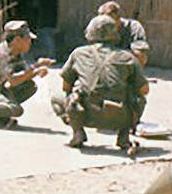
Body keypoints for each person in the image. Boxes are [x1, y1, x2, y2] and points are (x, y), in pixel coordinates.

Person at [53, 14, 149, 150]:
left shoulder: (78, 54)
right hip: (120, 116)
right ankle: (124, 135)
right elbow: (144, 90)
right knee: (140, 99)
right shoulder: (128, 57)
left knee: (57, 98)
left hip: (86, 114)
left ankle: (78, 131)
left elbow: (65, 86)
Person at [0, 20, 54, 128]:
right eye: (27, 39)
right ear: (17, 40)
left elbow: (23, 73)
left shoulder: (16, 52)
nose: (30, 42)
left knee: (30, 86)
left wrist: (38, 69)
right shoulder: (1, 54)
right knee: (17, 110)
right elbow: (13, 81)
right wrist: (36, 68)